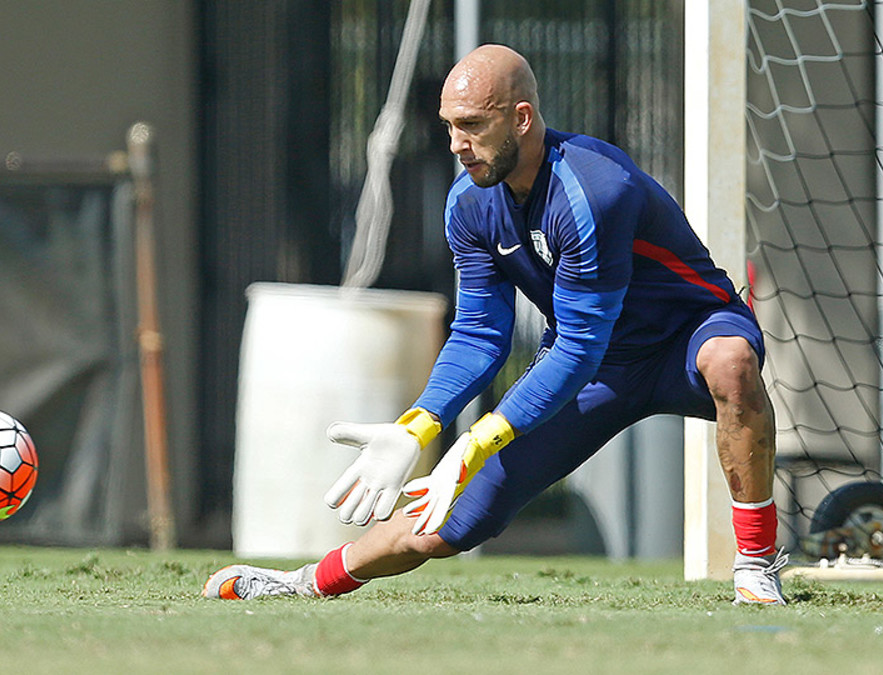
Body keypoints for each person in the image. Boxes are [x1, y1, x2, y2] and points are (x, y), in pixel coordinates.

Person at [204, 44, 786, 605]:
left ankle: (756, 566)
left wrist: (478, 439)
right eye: (449, 126)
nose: (457, 144)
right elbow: (482, 332)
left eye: (473, 125)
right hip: (598, 369)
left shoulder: (594, 191)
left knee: (730, 363)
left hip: (686, 336)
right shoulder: (468, 202)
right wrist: (421, 423)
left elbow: (580, 342)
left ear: (522, 118)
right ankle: (306, 583)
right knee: (444, 527)